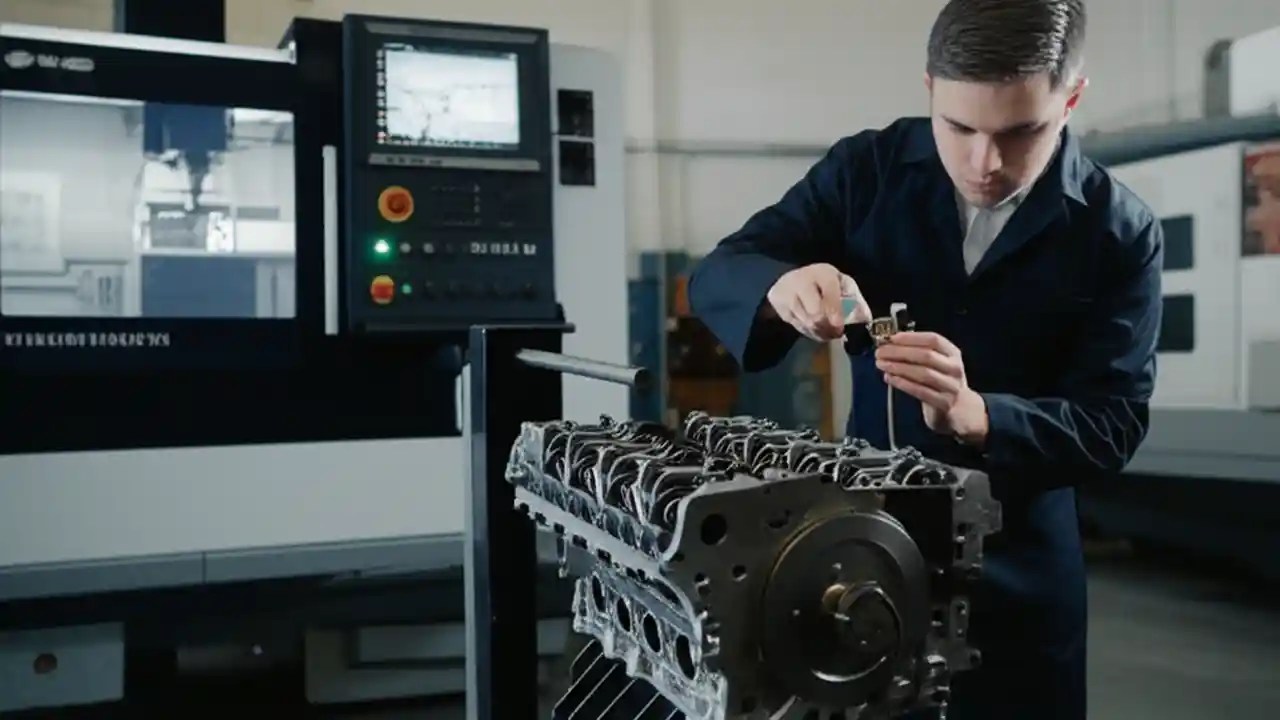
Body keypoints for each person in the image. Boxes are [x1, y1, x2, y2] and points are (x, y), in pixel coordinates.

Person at [687, 0, 1163, 718]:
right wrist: (780, 287)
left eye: (1020, 133)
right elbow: (723, 271)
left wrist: (979, 416)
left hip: (1018, 578)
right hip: (857, 551)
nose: (984, 163)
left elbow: (1113, 422)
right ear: (930, 89)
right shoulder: (866, 172)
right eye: (959, 128)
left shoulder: (1119, 232)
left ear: (1071, 100)